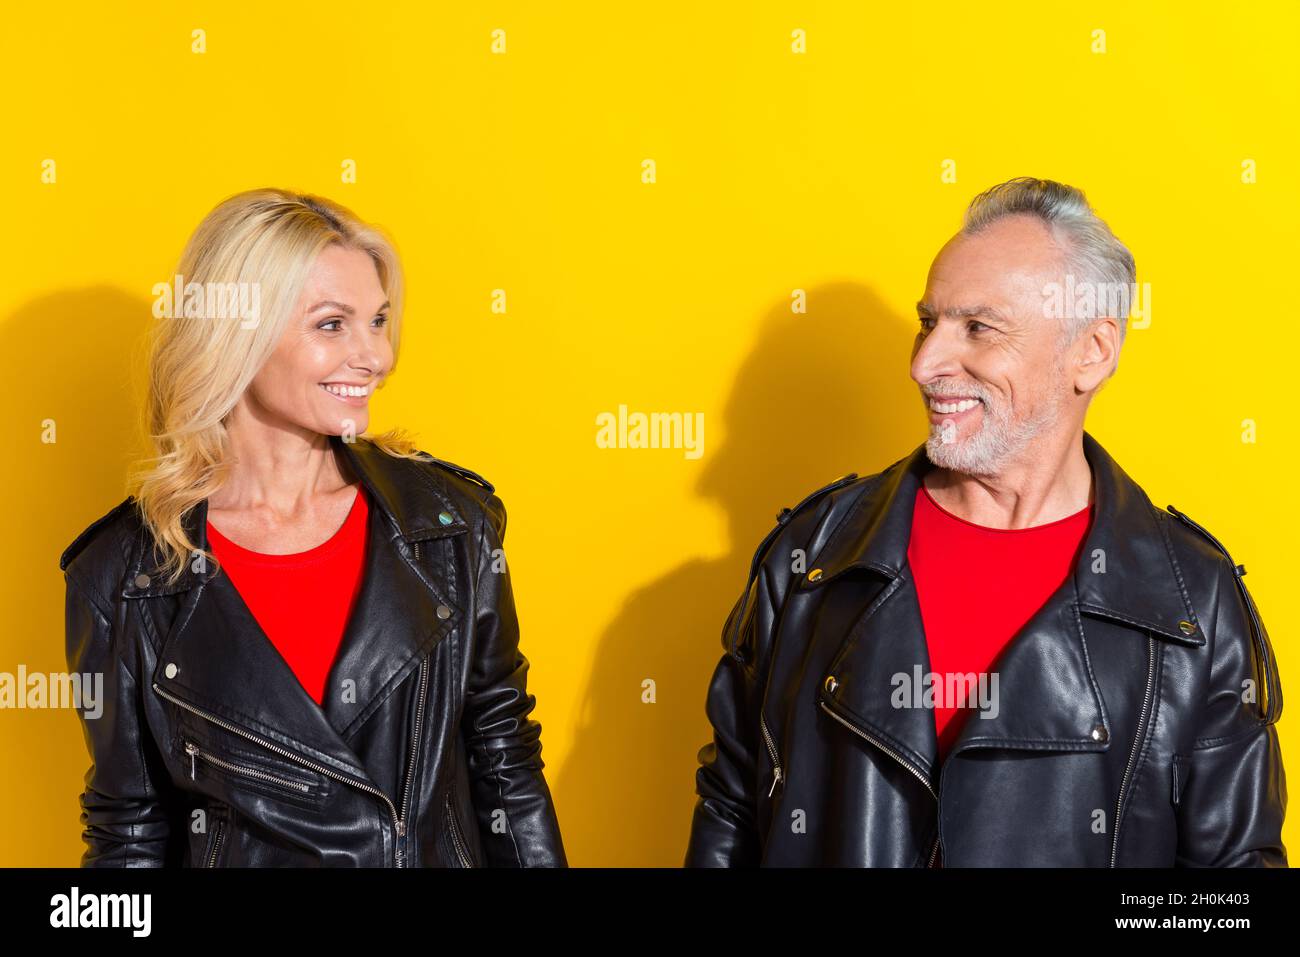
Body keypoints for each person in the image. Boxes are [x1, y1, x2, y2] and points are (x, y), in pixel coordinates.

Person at [685, 177, 1286, 866]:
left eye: (977, 327)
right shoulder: (812, 559)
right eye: (927, 321)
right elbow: (730, 812)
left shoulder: (1192, 599)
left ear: (1092, 351)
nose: (923, 363)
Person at [61, 188, 566, 866]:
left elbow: (505, 763)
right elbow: (130, 832)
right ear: (237, 335)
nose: (376, 356)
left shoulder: (447, 526)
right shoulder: (125, 577)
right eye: (332, 325)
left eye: (378, 321)